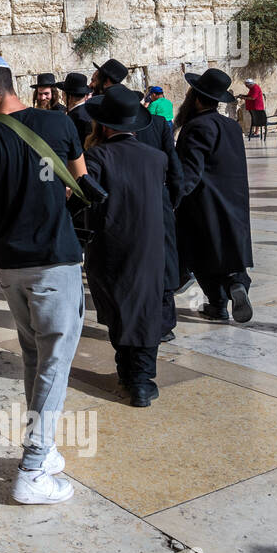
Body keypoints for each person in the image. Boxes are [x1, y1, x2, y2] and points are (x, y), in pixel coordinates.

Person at [0, 54, 85, 505]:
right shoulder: (59, 125)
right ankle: (32, 469)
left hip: (11, 265)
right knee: (55, 362)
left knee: (34, 357)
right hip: (55, 260)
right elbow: (79, 183)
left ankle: (43, 454)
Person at [81, 87, 169, 407]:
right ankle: (142, 380)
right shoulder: (157, 158)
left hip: (108, 244)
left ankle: (127, 374)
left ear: (104, 126)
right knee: (145, 308)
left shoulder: (96, 156)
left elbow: (82, 194)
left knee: (118, 308)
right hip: (149, 245)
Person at [173, 69, 254, 323]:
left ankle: (218, 305)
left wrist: (172, 199)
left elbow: (190, 171)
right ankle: (237, 282)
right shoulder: (230, 126)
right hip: (235, 199)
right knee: (230, 248)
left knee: (203, 255)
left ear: (196, 98)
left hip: (204, 202)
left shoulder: (195, 126)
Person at [134, 92, 185, 341]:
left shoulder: (105, 132)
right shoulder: (158, 125)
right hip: (159, 198)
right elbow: (174, 166)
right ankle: (165, 324)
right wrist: (172, 200)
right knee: (165, 257)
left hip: (130, 204)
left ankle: (142, 320)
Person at [55, 72, 95, 146]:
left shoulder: (73, 118)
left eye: (63, 93)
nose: (62, 96)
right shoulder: (91, 112)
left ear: (69, 97)